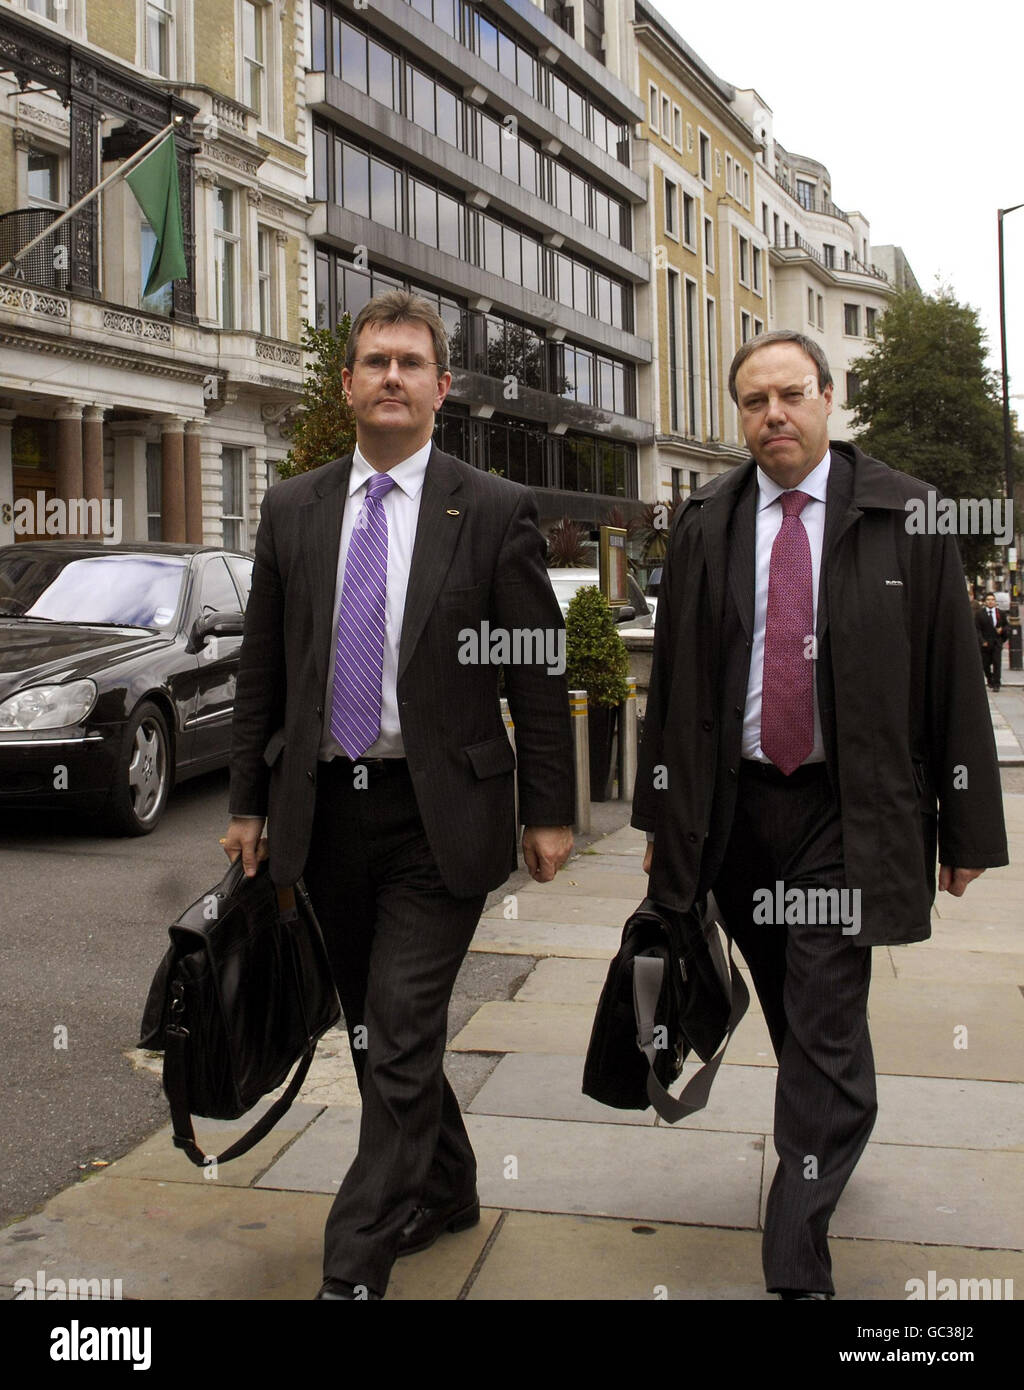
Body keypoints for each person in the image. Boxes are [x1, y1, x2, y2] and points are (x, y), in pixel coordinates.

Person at [632, 330, 1007, 1300]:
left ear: (827, 398)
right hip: (736, 816)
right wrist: (657, 826)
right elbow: (670, 683)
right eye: (753, 402)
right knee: (804, 1019)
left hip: (847, 816)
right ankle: (841, 1108)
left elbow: (949, 678)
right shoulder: (707, 518)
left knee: (825, 1015)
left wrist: (965, 829)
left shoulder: (904, 513)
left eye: (790, 395)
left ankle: (794, 1260)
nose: (772, 416)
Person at [223, 290, 574, 1300]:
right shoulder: (293, 507)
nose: (391, 377)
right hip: (320, 815)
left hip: (439, 818)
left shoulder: (493, 509)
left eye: (410, 363)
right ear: (347, 384)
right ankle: (449, 1186)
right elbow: (263, 670)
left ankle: (352, 1267)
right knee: (379, 1029)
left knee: (401, 1025)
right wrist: (247, 804)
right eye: (374, 361)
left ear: (441, 387)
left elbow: (536, 671)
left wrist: (549, 808)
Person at [975, 591, 1009, 690]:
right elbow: (977, 629)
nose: (990, 602)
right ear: (985, 602)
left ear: (995, 602)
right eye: (988, 600)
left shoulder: (1000, 613)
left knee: (997, 663)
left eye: (992, 600)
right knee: (985, 664)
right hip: (985, 643)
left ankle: (997, 684)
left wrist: (1002, 630)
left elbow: (1007, 626)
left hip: (996, 642)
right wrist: (982, 641)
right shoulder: (979, 614)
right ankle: (990, 679)